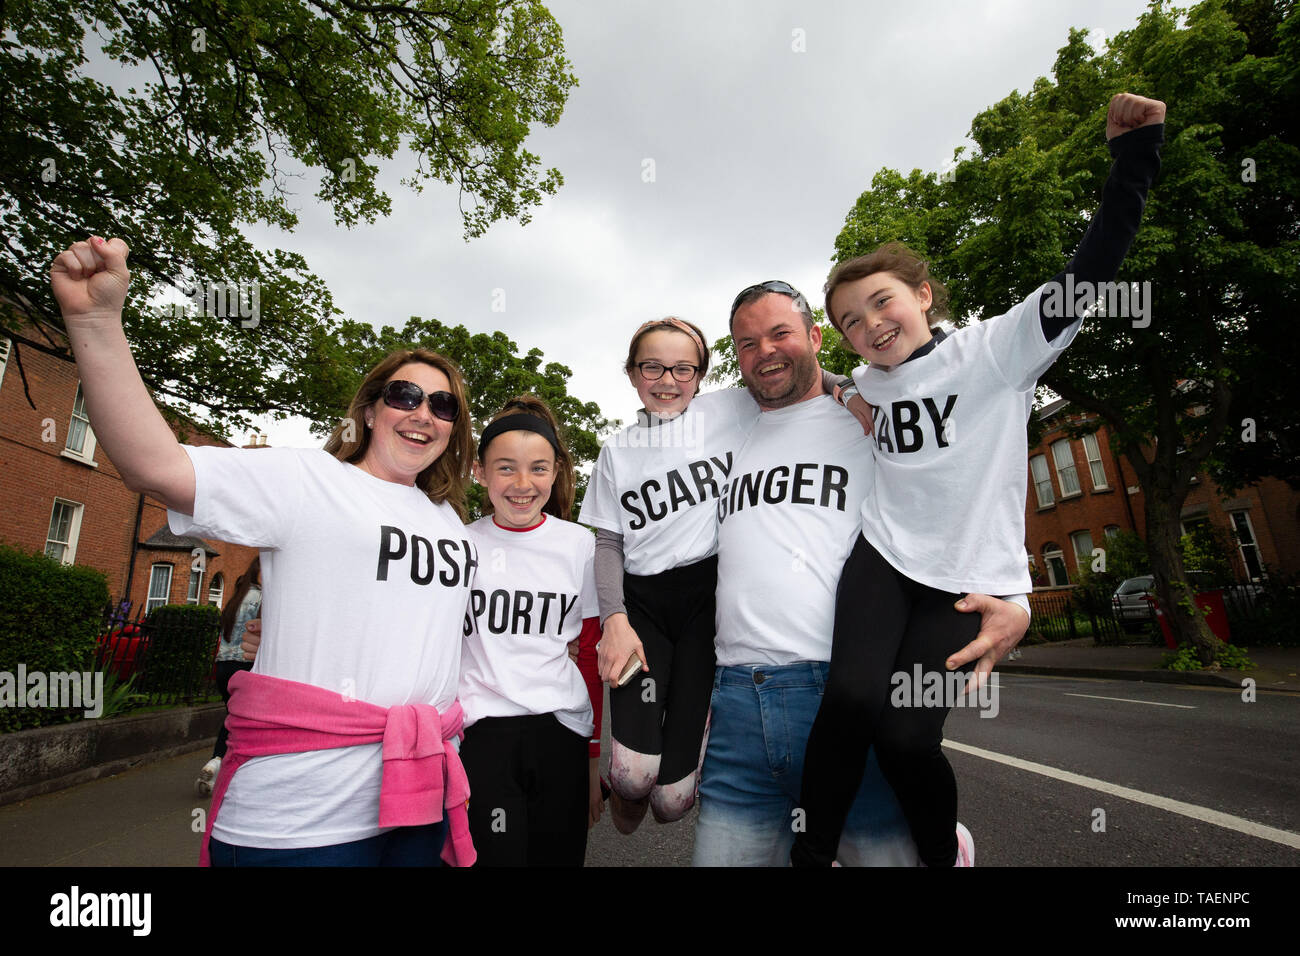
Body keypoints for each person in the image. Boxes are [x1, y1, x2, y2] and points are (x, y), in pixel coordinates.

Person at [792, 94, 1166, 867]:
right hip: (884, 560)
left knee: (903, 733)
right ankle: (810, 855)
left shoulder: (999, 352)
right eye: (853, 321)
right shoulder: (869, 380)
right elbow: (837, 384)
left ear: (923, 295)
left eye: (881, 303)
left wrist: (1134, 160)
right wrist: (806, 368)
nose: (871, 326)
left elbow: (1088, 269)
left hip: (965, 581)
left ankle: (942, 853)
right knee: (852, 701)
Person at [50, 235, 478, 866]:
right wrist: (95, 321)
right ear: (369, 409)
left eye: (442, 405)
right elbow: (153, 465)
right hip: (298, 814)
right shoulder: (307, 480)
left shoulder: (452, 525)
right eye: (405, 396)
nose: (423, 413)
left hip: (418, 800)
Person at [692, 279, 1032, 866]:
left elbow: (963, 490)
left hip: (846, 696)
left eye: (780, 334)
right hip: (739, 704)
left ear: (815, 338)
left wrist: (1016, 596)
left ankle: (944, 845)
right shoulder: (719, 422)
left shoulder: (876, 416)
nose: (764, 352)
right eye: (746, 343)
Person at [582, 318, 856, 831]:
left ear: (701, 374)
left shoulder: (728, 409)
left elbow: (804, 378)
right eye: (653, 367)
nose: (668, 380)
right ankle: (622, 788)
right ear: (631, 373)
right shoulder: (617, 449)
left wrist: (852, 392)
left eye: (683, 368)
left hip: (707, 606)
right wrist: (614, 620)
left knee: (673, 803)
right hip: (643, 607)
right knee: (636, 778)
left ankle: (662, 780)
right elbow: (608, 542)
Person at [457, 395, 604, 865]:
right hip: (482, 736)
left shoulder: (578, 543)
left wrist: (593, 755)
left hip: (560, 732)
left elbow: (590, 649)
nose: (523, 484)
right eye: (506, 468)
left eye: (538, 468)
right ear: (479, 472)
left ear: (557, 472)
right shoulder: (457, 543)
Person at [195, 555, 261, 796]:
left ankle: (216, 763)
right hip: (244, 665)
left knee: (231, 716)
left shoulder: (236, 598)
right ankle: (224, 766)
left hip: (222, 666)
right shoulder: (262, 598)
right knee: (242, 721)